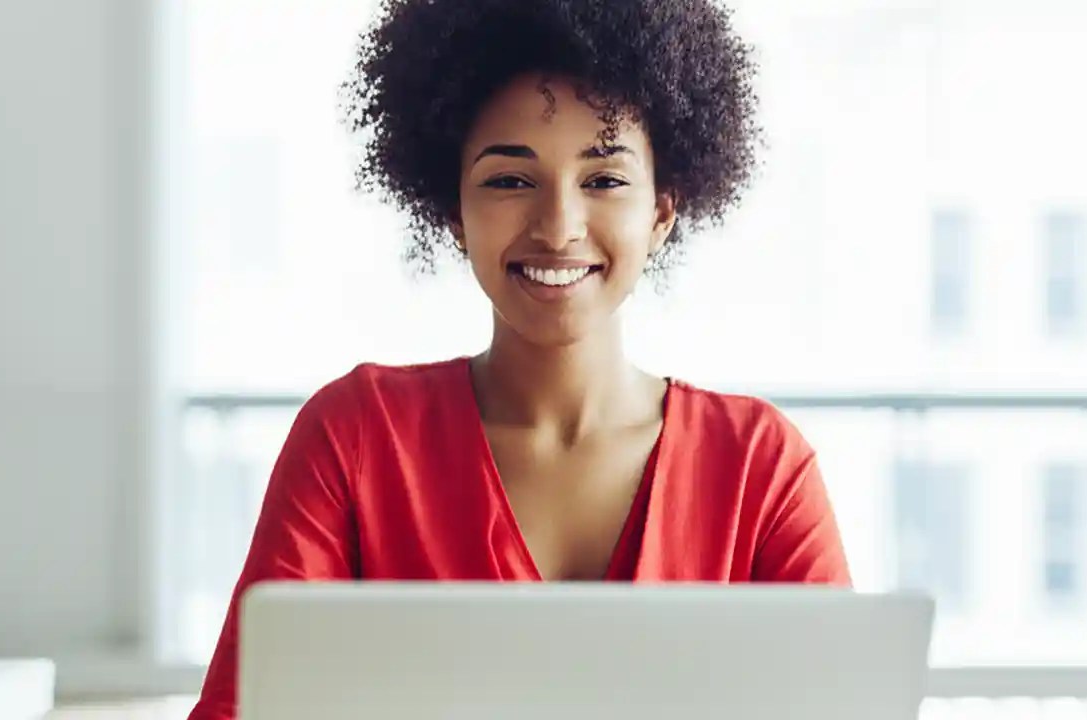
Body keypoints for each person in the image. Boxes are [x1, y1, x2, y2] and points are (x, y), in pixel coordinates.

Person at [188, 0, 850, 717]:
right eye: (510, 180)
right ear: (453, 211)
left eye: (603, 180)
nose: (559, 227)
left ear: (662, 210)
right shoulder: (355, 440)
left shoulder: (761, 468)